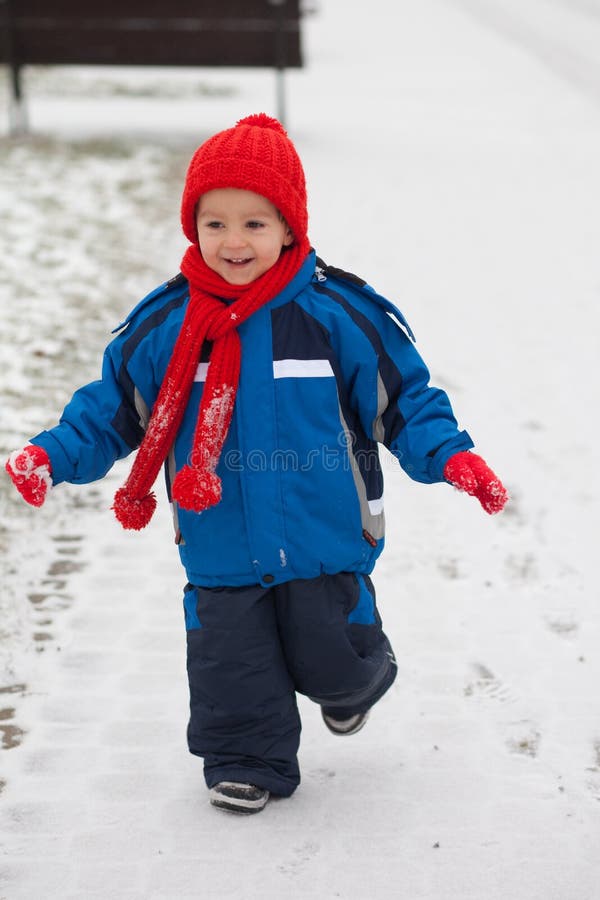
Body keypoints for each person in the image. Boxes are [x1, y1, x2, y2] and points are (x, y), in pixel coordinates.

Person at [5, 113, 508, 815]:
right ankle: (246, 759)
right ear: (193, 227)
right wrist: (50, 455)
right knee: (230, 661)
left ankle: (352, 685)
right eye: (215, 224)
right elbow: (114, 409)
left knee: (331, 658)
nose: (233, 242)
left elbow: (405, 402)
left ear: (289, 227)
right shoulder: (167, 325)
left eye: (254, 224)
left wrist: (452, 457)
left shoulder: (338, 316)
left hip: (324, 531)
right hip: (219, 537)